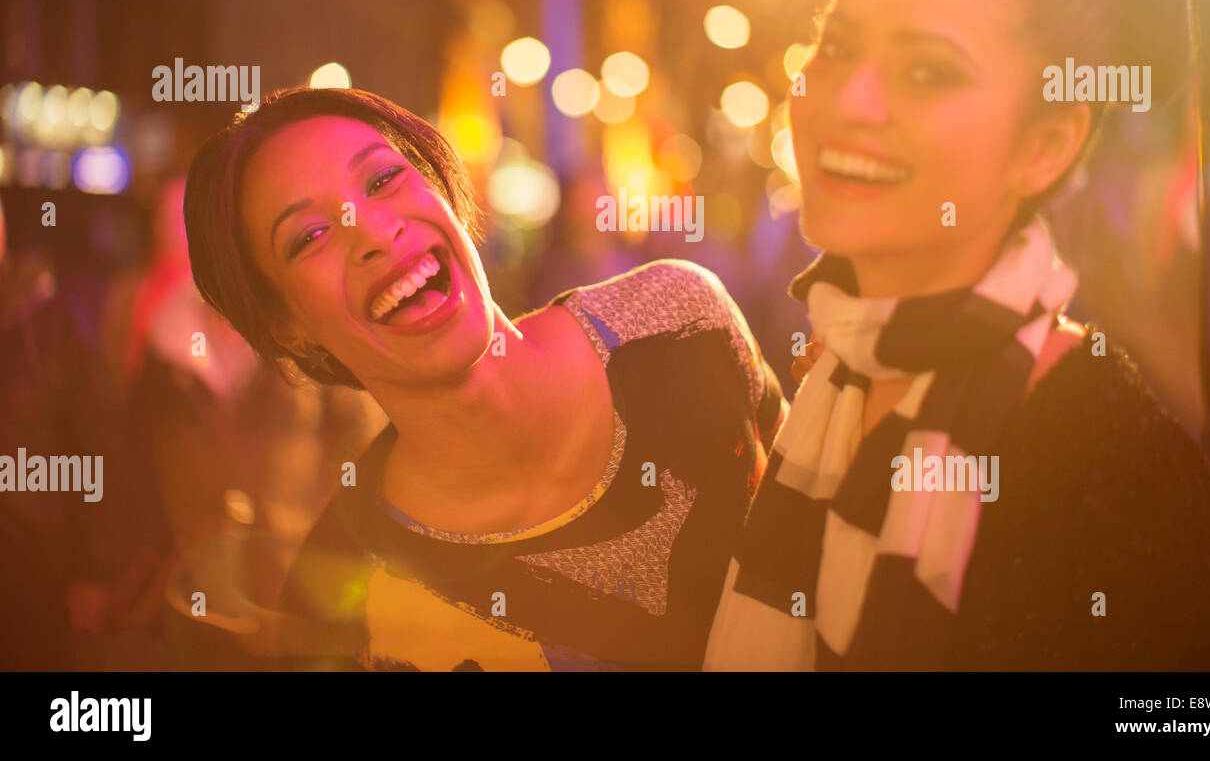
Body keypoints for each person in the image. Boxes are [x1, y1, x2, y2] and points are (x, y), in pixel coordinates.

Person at [704, 0, 1210, 670]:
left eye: (928, 71)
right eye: (837, 46)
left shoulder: (1107, 453)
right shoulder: (833, 378)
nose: (849, 100)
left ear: (1047, 144)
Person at [182, 86, 786, 670]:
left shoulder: (676, 321)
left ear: (439, 185)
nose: (373, 232)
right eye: (310, 236)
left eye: (382, 179)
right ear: (287, 326)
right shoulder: (341, 594)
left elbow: (828, 526)